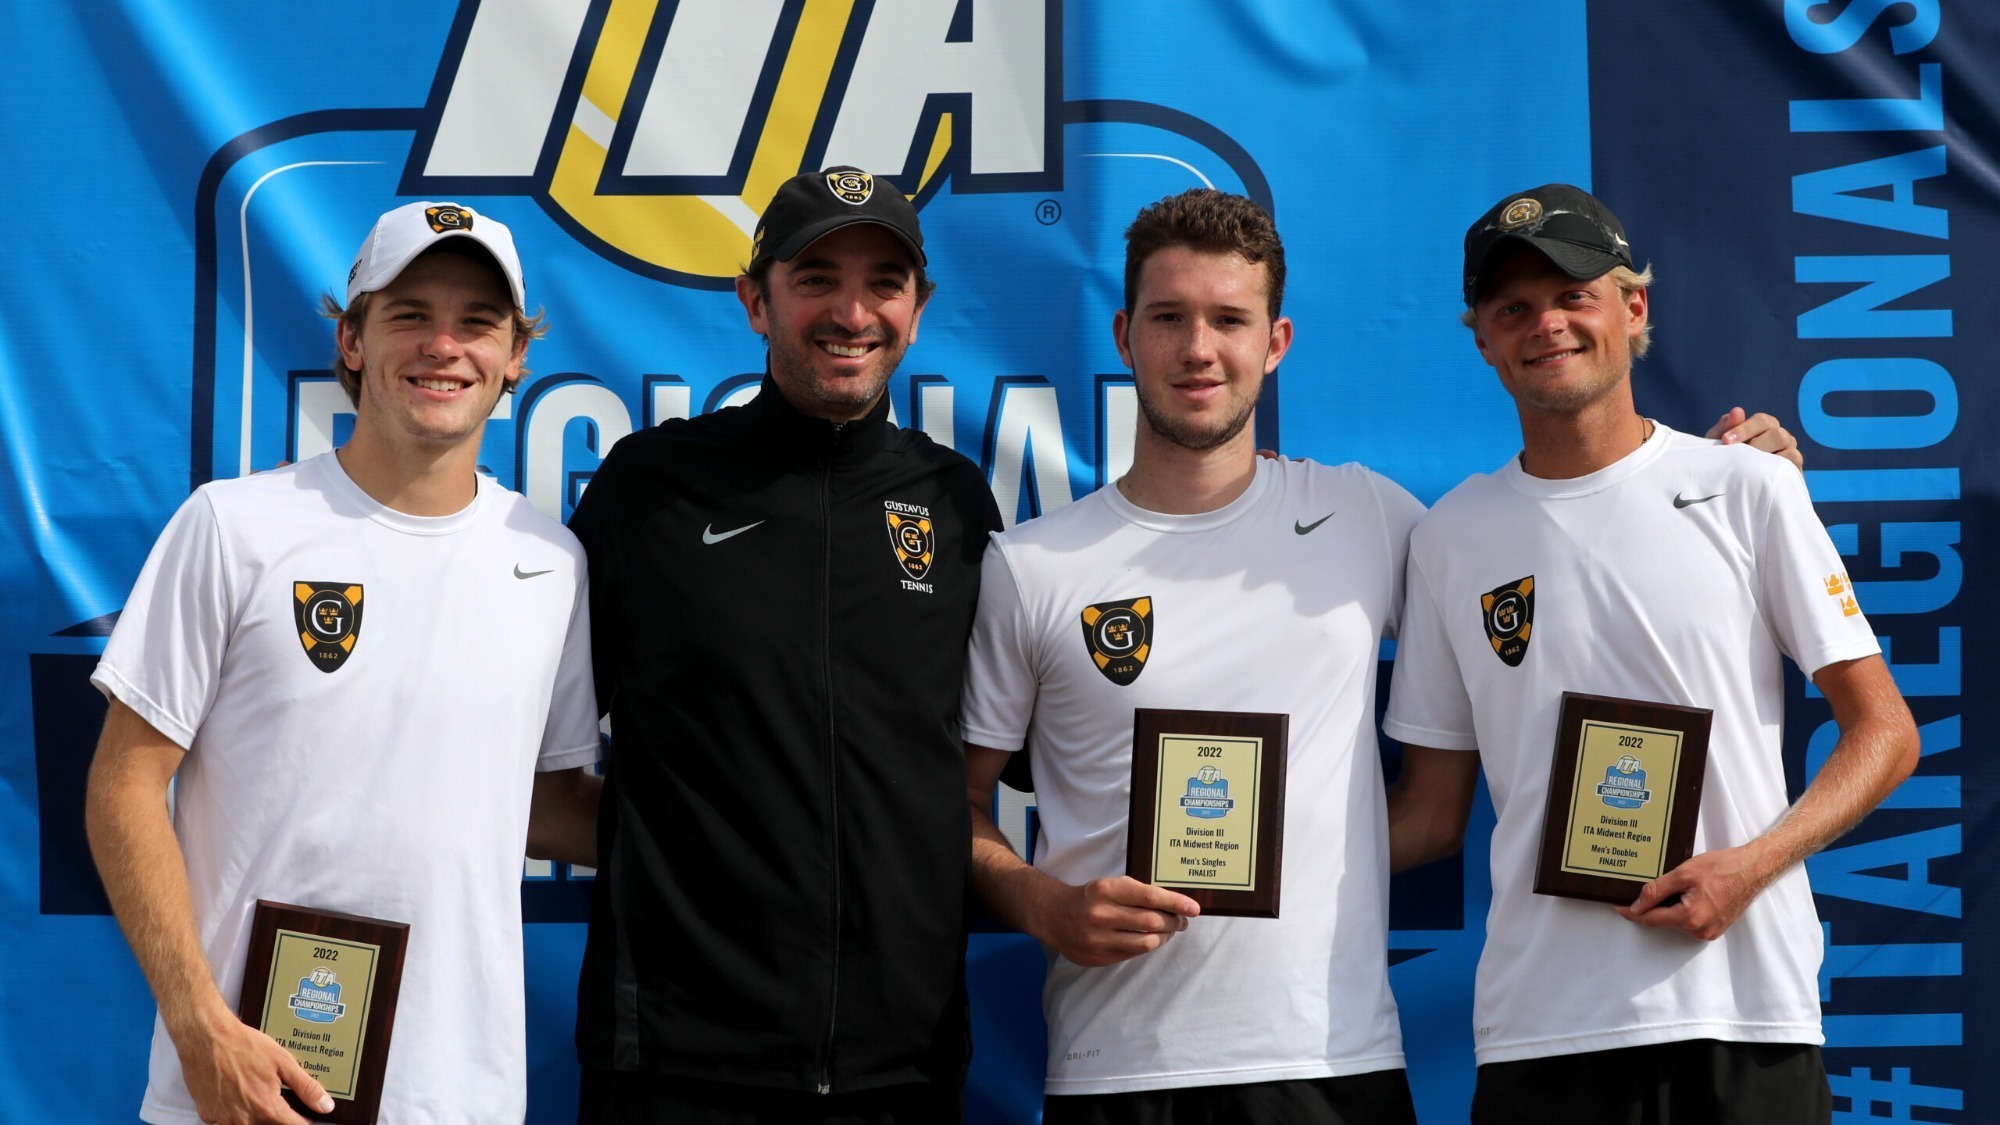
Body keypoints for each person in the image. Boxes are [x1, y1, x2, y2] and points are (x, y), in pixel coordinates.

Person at [960, 188, 1809, 1125]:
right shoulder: (1031, 565)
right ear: (1125, 335)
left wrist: (1736, 478)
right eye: (1169, 318)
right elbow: (955, 810)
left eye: (1229, 320)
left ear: (1275, 341)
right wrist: (1044, 906)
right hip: (1111, 1069)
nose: (1199, 349)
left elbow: (1567, 557)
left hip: (1333, 1058)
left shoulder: (1375, 519)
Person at [1381, 183, 1919, 1124]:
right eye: (1513, 307)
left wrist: (1748, 867)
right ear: (1483, 339)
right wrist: (1237, 873)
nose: (1545, 323)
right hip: (1539, 1033)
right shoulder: (1450, 537)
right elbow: (1429, 811)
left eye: (1572, 294)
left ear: (1632, 309)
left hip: (1741, 1016)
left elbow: (1885, 731)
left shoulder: (1747, 487)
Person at [85, 200, 604, 1124]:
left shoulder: (550, 559)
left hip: (460, 1092)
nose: (444, 344)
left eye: (478, 321)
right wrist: (202, 1026)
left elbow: (541, 805)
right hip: (244, 1086)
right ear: (352, 337)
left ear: (517, 354)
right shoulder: (233, 525)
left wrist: (761, 845)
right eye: (409, 314)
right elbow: (124, 784)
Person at [568, 167, 1003, 1123]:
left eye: (884, 281)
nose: (852, 311)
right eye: (816, 278)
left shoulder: (957, 502)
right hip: (676, 1063)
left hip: (904, 1064)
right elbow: (537, 757)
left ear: (918, 310)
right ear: (755, 300)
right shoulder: (652, 488)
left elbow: (982, 770)